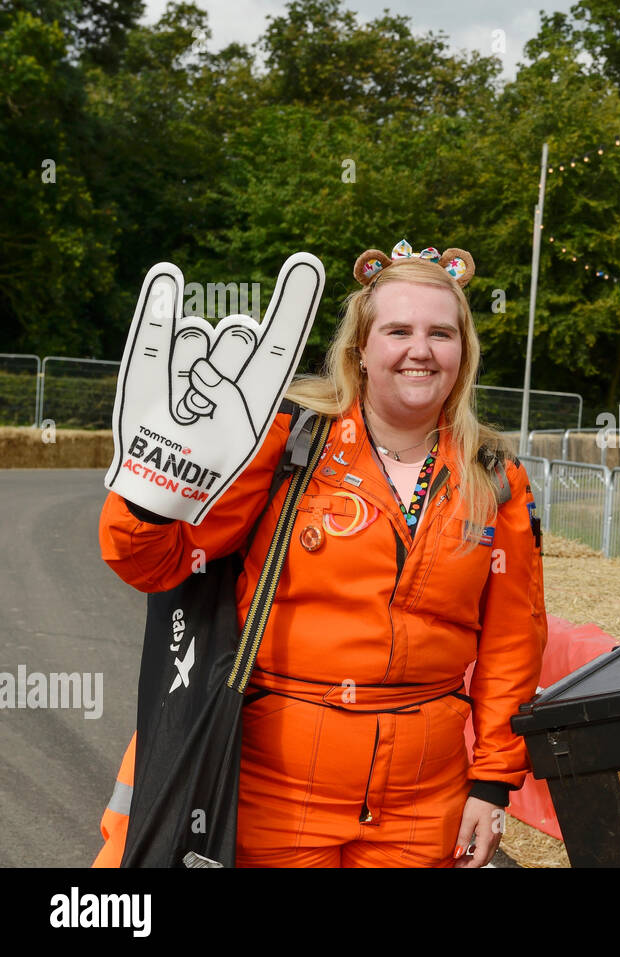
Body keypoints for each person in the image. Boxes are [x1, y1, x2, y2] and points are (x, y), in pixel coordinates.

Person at [98, 240, 546, 867]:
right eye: (398, 331)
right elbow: (155, 564)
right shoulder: (289, 445)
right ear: (361, 349)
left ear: (463, 353)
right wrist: (154, 486)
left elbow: (510, 643)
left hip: (423, 802)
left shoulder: (496, 476)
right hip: (270, 787)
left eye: (441, 333)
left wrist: (493, 780)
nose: (420, 350)